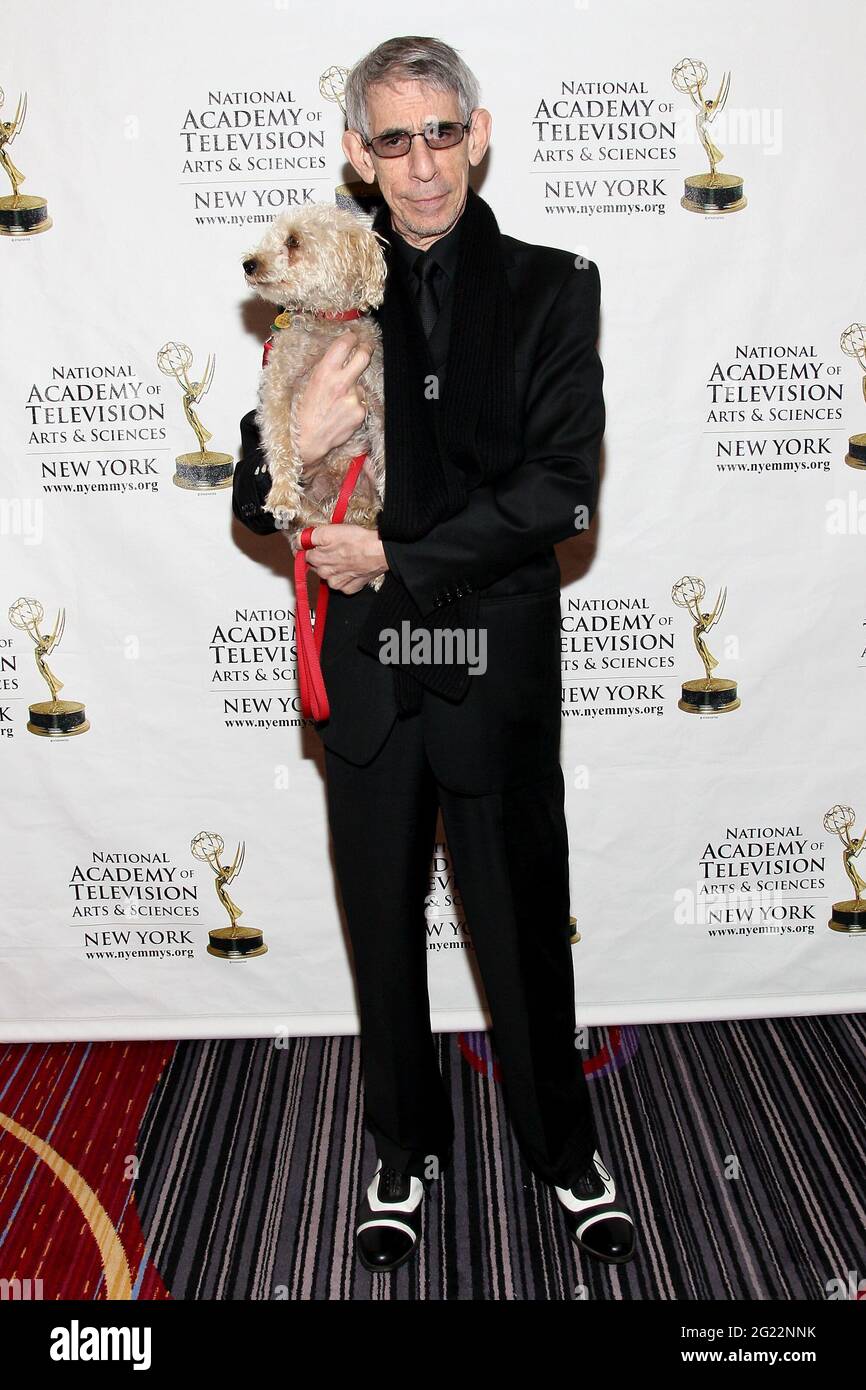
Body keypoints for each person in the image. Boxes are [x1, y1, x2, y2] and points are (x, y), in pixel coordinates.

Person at [232, 35, 636, 1273]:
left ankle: (563, 1148)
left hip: (483, 653)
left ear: (480, 132)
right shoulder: (321, 294)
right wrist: (294, 433)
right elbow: (257, 500)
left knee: (518, 925)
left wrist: (394, 561)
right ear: (359, 153)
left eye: (441, 133)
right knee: (378, 921)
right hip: (365, 672)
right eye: (393, 140)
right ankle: (400, 1144)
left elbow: (561, 493)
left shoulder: (554, 285)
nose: (421, 165)